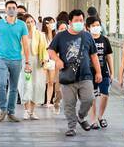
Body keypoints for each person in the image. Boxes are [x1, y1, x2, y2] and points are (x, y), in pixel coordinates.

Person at [47, 8, 102, 137]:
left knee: (89, 99)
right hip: (67, 76)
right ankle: (71, 127)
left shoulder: (87, 36)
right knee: (69, 103)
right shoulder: (61, 36)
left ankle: (81, 117)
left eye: (81, 20)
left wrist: (98, 72)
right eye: (76, 20)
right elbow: (50, 51)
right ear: (70, 22)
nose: (79, 23)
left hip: (85, 75)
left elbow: (94, 55)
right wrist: (57, 60)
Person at [0, 0, 32, 122]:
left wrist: (27, 62)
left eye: (14, 7)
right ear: (5, 10)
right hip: (1, 58)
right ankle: (3, 109)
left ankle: (11, 112)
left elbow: (25, 44)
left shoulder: (22, 25)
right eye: (9, 7)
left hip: (16, 59)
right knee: (1, 84)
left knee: (13, 87)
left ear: (17, 10)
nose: (11, 9)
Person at [87, 15, 113, 128]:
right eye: (93, 25)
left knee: (105, 94)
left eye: (98, 25)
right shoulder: (86, 39)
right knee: (92, 96)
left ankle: (100, 116)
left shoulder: (105, 40)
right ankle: (93, 120)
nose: (96, 27)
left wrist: (112, 72)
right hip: (89, 72)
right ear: (88, 27)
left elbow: (109, 56)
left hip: (103, 71)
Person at [22, 13, 47, 120]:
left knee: (36, 85)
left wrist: (43, 59)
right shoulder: (21, 34)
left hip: (36, 62)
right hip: (25, 62)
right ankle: (26, 111)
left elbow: (43, 48)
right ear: (24, 23)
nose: (30, 23)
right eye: (28, 22)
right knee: (26, 85)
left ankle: (32, 111)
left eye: (32, 21)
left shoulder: (40, 34)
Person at [40, 17, 58, 109]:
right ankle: (39, 100)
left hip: (52, 62)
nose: (52, 24)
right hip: (43, 61)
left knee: (51, 82)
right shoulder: (42, 35)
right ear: (45, 24)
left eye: (53, 22)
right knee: (42, 82)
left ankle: (48, 101)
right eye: (50, 22)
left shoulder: (56, 36)